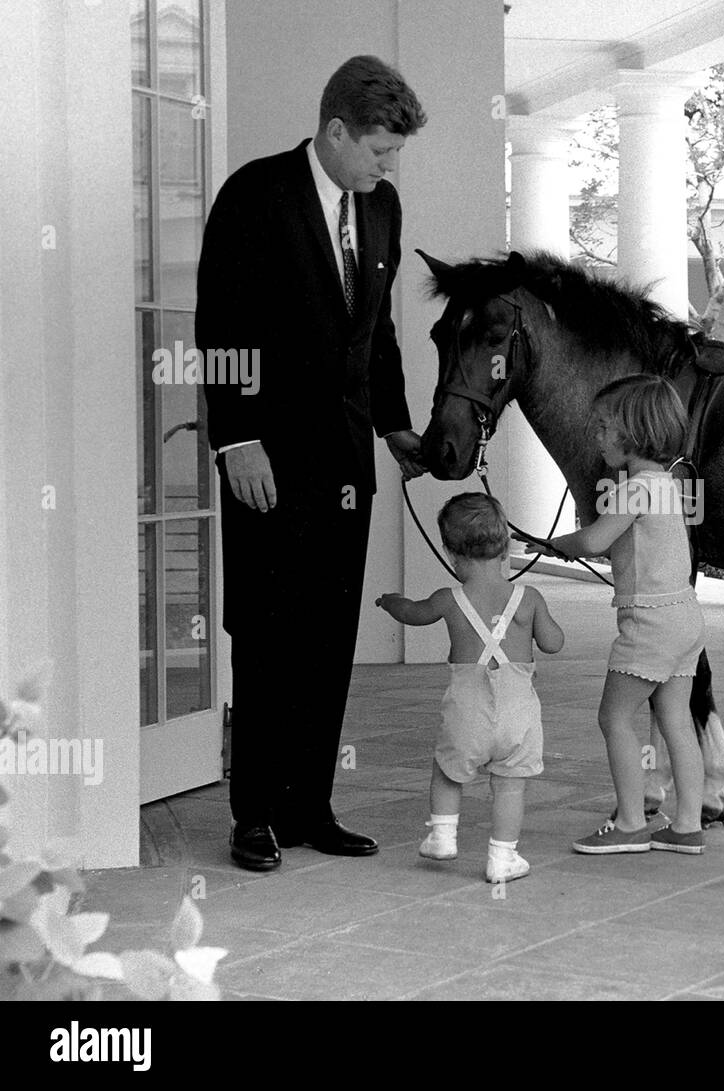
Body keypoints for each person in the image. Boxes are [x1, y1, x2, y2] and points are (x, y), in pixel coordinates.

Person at [196, 56, 428, 871]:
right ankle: (254, 813)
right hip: (266, 461)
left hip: (344, 465)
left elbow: (378, 331)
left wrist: (396, 426)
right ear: (334, 132)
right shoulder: (253, 196)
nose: (388, 167)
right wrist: (236, 438)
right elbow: (218, 327)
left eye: (393, 155)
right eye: (379, 150)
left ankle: (308, 806)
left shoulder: (383, 208)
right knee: (267, 633)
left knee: (328, 636)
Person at [522, 375, 707, 855]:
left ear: (634, 430)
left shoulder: (635, 488)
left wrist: (550, 544)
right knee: (676, 718)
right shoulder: (668, 484)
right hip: (684, 617)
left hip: (650, 623)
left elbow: (594, 541)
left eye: (604, 426)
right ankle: (686, 824)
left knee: (614, 717)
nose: (597, 436)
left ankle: (628, 822)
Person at [376, 494, 564, 883]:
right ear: (504, 546)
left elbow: (412, 613)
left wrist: (392, 602)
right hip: (519, 716)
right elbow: (553, 642)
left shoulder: (448, 600)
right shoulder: (528, 598)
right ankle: (502, 858)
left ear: (450, 552)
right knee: (510, 785)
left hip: (466, 712)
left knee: (447, 771)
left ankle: (442, 836)